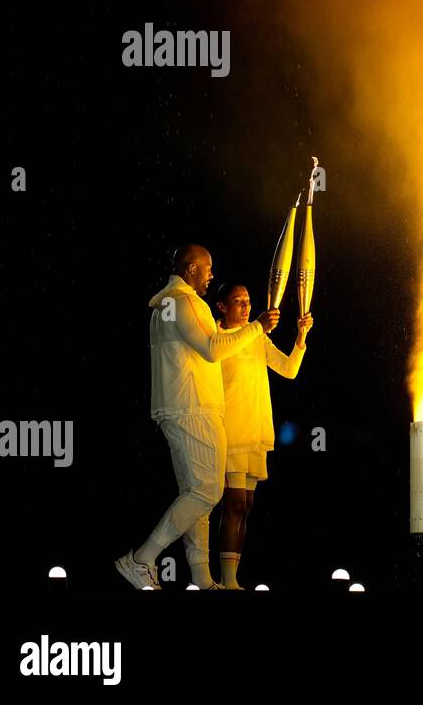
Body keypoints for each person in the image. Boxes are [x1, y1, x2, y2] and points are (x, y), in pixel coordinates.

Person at [116, 245, 279, 590]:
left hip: (178, 406)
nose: (211, 275)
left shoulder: (166, 305)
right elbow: (212, 348)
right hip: (193, 407)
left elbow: (210, 344)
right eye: (208, 269)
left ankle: (202, 578)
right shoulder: (185, 302)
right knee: (206, 492)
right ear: (191, 269)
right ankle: (142, 559)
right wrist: (256, 328)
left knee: (196, 494)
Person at [213, 282, 312, 589]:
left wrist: (301, 335)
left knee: (246, 505)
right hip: (229, 430)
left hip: (255, 428)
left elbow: (289, 369)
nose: (245, 306)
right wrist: (257, 327)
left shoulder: (257, 338)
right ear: (222, 306)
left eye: (247, 300)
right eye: (237, 301)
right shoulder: (215, 339)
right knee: (234, 503)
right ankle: (225, 580)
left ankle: (233, 577)